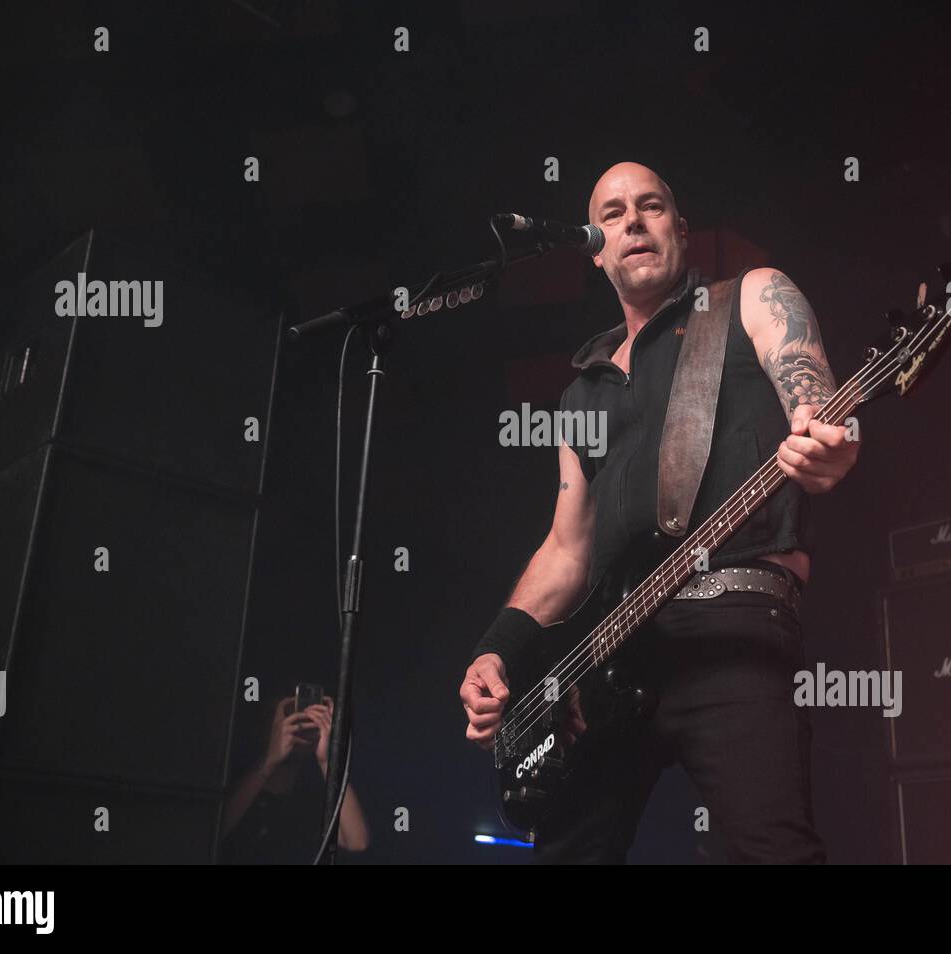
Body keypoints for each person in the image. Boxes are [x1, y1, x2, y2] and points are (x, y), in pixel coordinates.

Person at [459, 162, 860, 863]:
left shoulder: (752, 296)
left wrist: (827, 439)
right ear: (595, 246)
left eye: (650, 206)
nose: (633, 221)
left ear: (681, 228)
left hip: (734, 631)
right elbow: (565, 550)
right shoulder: (580, 396)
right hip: (610, 663)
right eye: (612, 214)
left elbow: (812, 401)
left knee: (771, 852)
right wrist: (498, 650)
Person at [221, 693, 369, 863]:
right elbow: (212, 829)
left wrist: (328, 761)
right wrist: (270, 760)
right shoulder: (233, 779)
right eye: (291, 718)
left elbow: (357, 843)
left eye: (306, 719)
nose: (297, 727)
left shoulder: (310, 796)